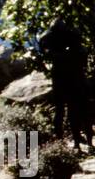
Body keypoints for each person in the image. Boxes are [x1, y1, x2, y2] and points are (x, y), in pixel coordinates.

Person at [38, 19, 91, 149]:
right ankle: (73, 141)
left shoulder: (67, 42)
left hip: (70, 79)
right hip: (68, 79)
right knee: (71, 110)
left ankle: (75, 141)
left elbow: (43, 48)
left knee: (70, 110)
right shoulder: (63, 41)